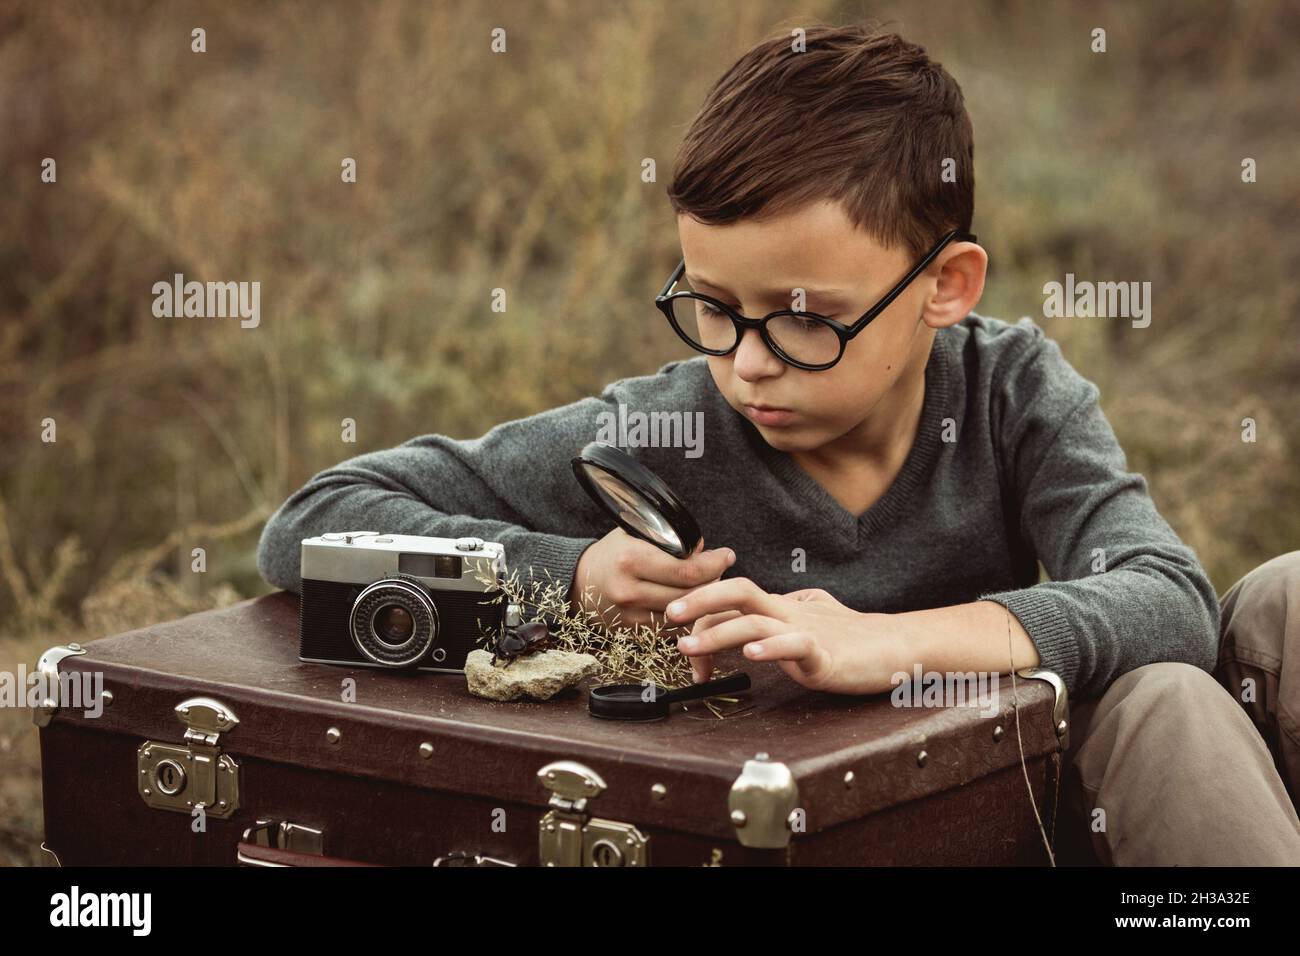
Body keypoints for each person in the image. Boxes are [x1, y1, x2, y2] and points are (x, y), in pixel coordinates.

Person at [256, 24, 1299, 864]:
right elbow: (308, 525)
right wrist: (567, 571)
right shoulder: (667, 428)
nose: (749, 363)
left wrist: (890, 641)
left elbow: (1167, 601)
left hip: (1048, 807)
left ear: (945, 286)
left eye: (806, 318)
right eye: (712, 307)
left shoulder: (1009, 391)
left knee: (1276, 606)